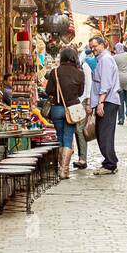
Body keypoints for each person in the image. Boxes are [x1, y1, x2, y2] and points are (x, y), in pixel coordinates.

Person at [43, 47, 85, 179]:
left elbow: (48, 91)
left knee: (60, 137)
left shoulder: (55, 72)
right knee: (68, 137)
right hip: (72, 110)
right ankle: (64, 170)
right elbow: (81, 93)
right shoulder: (79, 73)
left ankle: (61, 167)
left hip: (56, 108)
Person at [88, 36, 121, 174]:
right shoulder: (101, 59)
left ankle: (109, 165)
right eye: (91, 47)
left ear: (102, 45)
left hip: (107, 101)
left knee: (105, 133)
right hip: (104, 101)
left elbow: (106, 83)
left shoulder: (106, 59)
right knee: (102, 133)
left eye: (95, 46)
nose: (92, 49)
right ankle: (110, 161)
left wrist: (101, 102)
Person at [72, 47, 93, 170]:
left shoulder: (85, 66)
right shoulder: (76, 68)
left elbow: (89, 85)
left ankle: (83, 159)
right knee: (77, 130)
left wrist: (89, 102)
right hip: (78, 102)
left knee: (80, 130)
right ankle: (81, 157)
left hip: (84, 101)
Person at [112, 42, 127, 125]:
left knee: (120, 100)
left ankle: (121, 119)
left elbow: (112, 70)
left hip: (118, 80)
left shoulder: (114, 57)